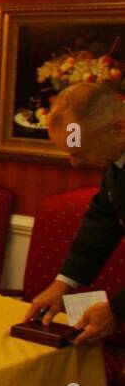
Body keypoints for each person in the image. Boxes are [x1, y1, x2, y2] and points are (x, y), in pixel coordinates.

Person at [25, 82, 125, 343]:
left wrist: (116, 310)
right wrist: (64, 283)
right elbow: (102, 222)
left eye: (81, 152)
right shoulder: (116, 162)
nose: (75, 164)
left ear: (118, 129)